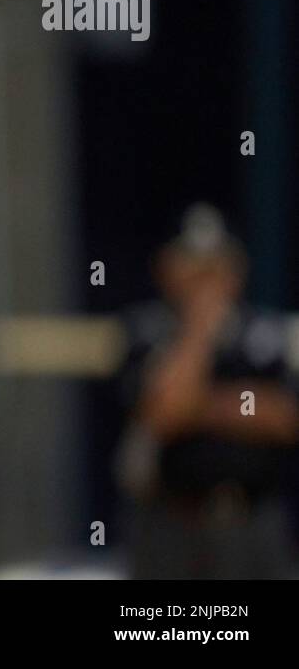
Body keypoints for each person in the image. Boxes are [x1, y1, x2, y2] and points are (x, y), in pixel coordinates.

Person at [114, 203, 299, 578]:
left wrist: (200, 405)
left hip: (251, 523)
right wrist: (199, 331)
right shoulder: (144, 332)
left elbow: (284, 417)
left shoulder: (263, 333)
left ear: (237, 269)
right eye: (194, 268)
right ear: (166, 268)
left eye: (215, 267)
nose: (206, 282)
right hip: (172, 523)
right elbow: (164, 413)